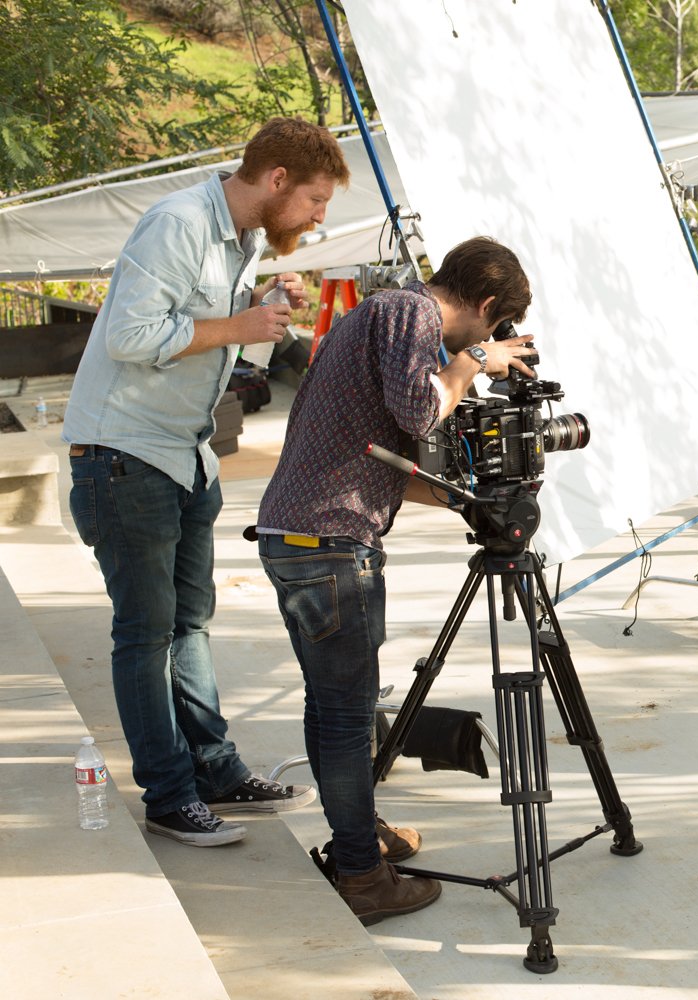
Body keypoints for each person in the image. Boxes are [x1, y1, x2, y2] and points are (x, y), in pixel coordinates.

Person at [63, 117, 350, 847]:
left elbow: (203, 325)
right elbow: (129, 335)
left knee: (190, 623)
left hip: (184, 454)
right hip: (124, 455)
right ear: (277, 180)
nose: (321, 218)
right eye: (315, 200)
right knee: (145, 633)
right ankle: (168, 794)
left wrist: (262, 309)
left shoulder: (246, 237)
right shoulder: (178, 223)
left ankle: (215, 771)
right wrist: (242, 324)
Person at [255, 236, 537, 925]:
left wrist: (469, 495)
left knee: (332, 711)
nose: (486, 341)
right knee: (349, 718)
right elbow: (419, 412)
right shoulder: (412, 315)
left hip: (297, 534)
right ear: (487, 304)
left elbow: (368, 451)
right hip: (328, 546)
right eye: (494, 327)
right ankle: (363, 877)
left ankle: (357, 840)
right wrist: (475, 363)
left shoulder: (378, 317)